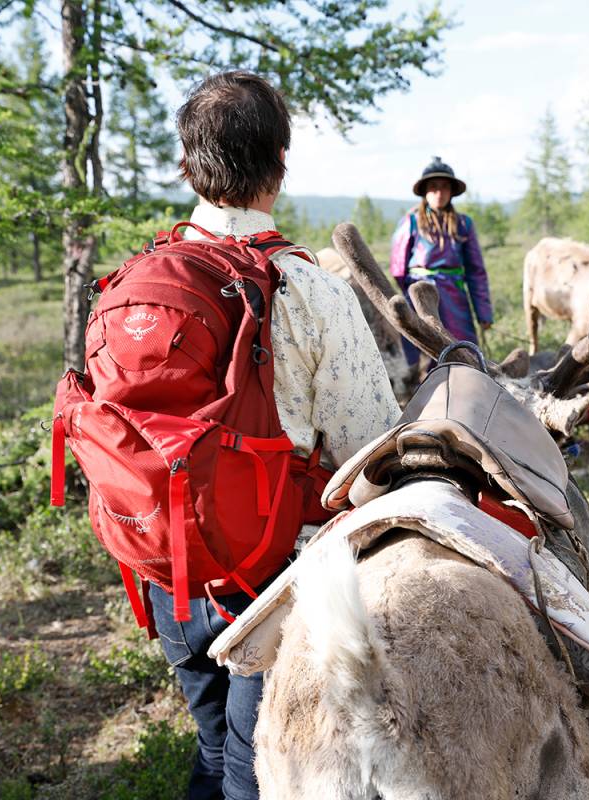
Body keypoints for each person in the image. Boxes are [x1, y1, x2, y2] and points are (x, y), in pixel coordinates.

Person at [150, 70, 401, 800]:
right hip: (274, 581)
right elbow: (371, 448)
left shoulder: (144, 281)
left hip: (168, 570)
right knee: (256, 769)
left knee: (212, 745)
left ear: (187, 165)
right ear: (281, 162)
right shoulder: (314, 289)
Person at [389, 156, 494, 366]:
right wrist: (413, 292)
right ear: (425, 191)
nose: (439, 193)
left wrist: (484, 313)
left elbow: (475, 271)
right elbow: (398, 268)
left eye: (445, 187)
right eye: (434, 187)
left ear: (452, 191)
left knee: (462, 352)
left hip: (454, 298)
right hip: (418, 295)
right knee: (418, 351)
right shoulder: (411, 222)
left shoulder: (463, 224)